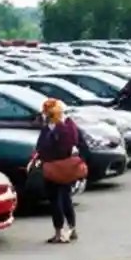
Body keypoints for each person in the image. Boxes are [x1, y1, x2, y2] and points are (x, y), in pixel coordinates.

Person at [34, 98, 83, 244]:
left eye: (46, 113)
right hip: (66, 168)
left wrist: (41, 155)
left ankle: (60, 232)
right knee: (65, 198)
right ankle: (71, 229)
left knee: (56, 200)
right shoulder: (68, 125)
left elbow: (46, 147)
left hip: (55, 168)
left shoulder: (59, 127)